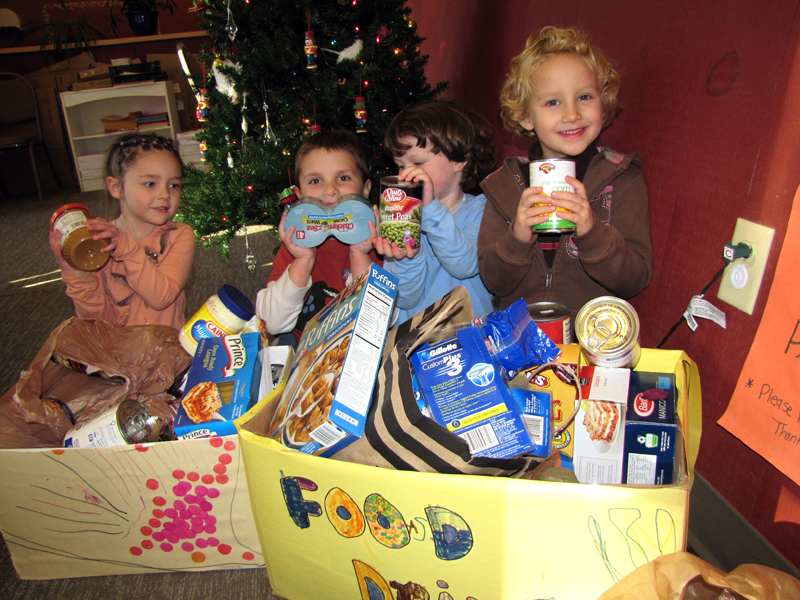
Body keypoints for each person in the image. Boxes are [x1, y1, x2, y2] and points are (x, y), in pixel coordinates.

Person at [478, 26, 652, 318]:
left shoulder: (621, 178)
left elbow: (635, 279)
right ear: (525, 115)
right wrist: (517, 237)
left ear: (603, 101)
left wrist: (592, 232)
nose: (572, 114)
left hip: (591, 343)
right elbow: (493, 280)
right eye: (553, 102)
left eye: (585, 97)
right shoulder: (506, 185)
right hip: (521, 344)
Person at [49, 134, 195, 329]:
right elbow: (97, 321)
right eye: (150, 184)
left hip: (166, 354)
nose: (165, 194)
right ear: (117, 187)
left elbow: (162, 297)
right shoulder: (100, 241)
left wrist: (126, 247)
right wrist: (78, 276)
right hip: (119, 355)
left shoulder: (179, 235)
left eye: (173, 185)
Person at [375, 99, 496, 324]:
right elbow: (405, 299)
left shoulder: (482, 209)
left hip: (472, 342)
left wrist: (430, 209)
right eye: (400, 165)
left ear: (460, 160)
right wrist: (405, 256)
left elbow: (465, 265)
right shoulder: (402, 219)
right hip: (416, 348)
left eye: (418, 162)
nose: (405, 174)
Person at [256, 130, 380, 346]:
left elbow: (379, 320)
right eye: (315, 180)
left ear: (366, 189)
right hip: (304, 353)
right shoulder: (295, 245)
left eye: (343, 178)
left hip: (362, 348)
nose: (330, 190)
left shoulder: (374, 242)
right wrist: (303, 260)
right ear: (300, 194)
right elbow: (270, 324)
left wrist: (360, 254)